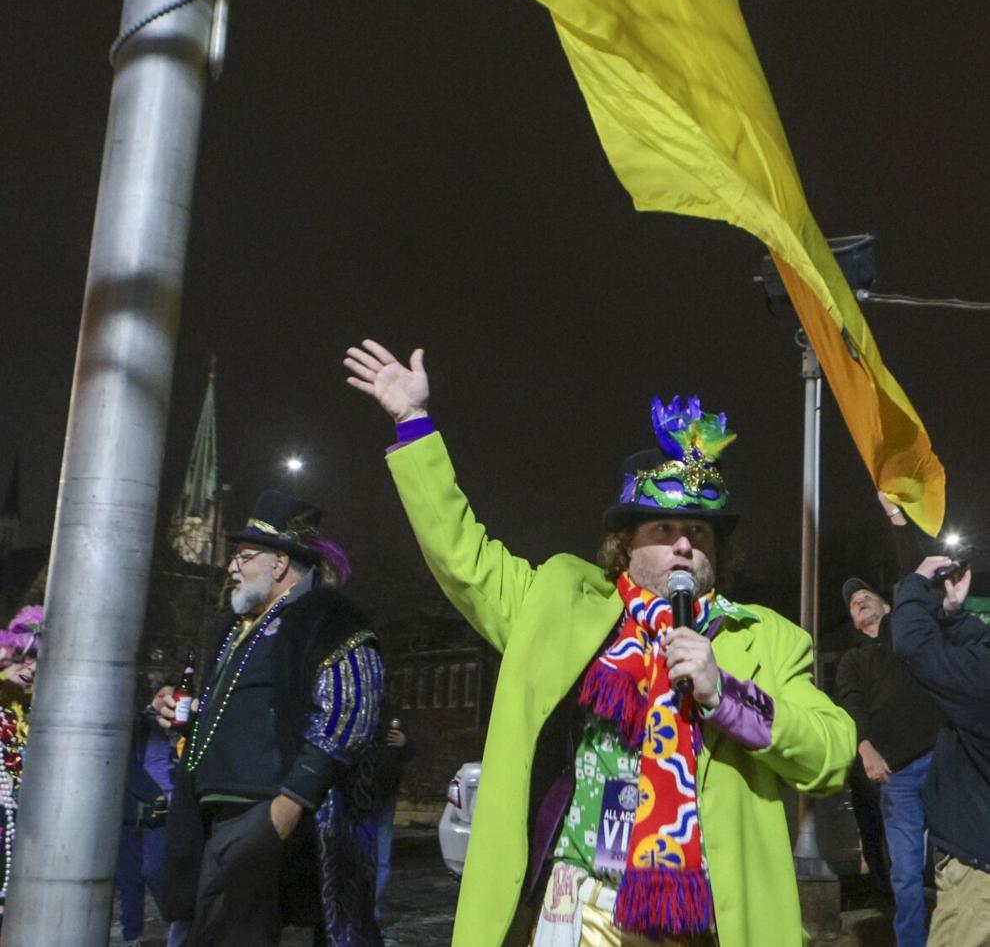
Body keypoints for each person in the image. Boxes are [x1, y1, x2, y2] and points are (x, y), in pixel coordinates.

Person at [344, 340, 855, 947]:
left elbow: (832, 753)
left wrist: (727, 697)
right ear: (625, 546)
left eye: (698, 531)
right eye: (663, 529)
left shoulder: (767, 640)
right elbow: (464, 558)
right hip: (580, 906)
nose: (684, 545)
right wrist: (413, 423)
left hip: (706, 921)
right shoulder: (559, 606)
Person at [155, 490, 383, 947]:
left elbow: (349, 715)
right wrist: (173, 708)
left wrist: (285, 807)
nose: (231, 566)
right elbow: (226, 709)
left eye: (244, 555)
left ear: (279, 564)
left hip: (267, 819)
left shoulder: (328, 618)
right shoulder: (231, 628)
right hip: (212, 819)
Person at [836, 501, 945, 947]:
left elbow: (914, 570)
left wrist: (897, 518)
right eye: (853, 605)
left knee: (958, 860)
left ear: (886, 604)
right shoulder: (852, 662)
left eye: (866, 597)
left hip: (942, 759)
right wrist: (865, 749)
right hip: (896, 776)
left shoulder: (907, 628)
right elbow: (851, 706)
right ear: (855, 623)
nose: (860, 604)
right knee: (904, 873)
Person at [891, 555, 990, 947]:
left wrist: (916, 582)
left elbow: (914, 645)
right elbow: (980, 644)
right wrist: (952, 615)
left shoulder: (981, 681)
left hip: (978, 871)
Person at [114, 709, 178, 947]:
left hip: (165, 811)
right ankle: (133, 936)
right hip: (135, 809)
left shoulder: (180, 729)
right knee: (129, 878)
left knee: (155, 869)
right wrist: (156, 795)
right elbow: (127, 763)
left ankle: (177, 922)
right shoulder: (138, 725)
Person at [0, 605, 43, 922]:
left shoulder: (33, 713)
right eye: (25, 656)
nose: (32, 667)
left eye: (41, 660)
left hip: (18, 831)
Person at [373, 716, 414, 908]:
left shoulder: (392, 711)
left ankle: (371, 911)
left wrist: (404, 743)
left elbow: (410, 751)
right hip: (362, 796)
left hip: (386, 795)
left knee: (382, 857)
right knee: (363, 855)